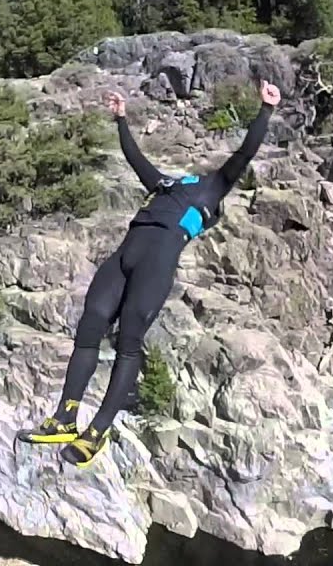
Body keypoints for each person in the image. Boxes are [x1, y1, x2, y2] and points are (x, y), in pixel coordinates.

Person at [18, 80, 282, 468]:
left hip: (156, 263)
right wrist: (121, 119)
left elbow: (243, 154)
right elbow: (135, 158)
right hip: (125, 253)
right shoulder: (166, 184)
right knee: (90, 326)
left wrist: (265, 110)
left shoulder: (213, 189)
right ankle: (65, 417)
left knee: (128, 343)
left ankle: (98, 431)